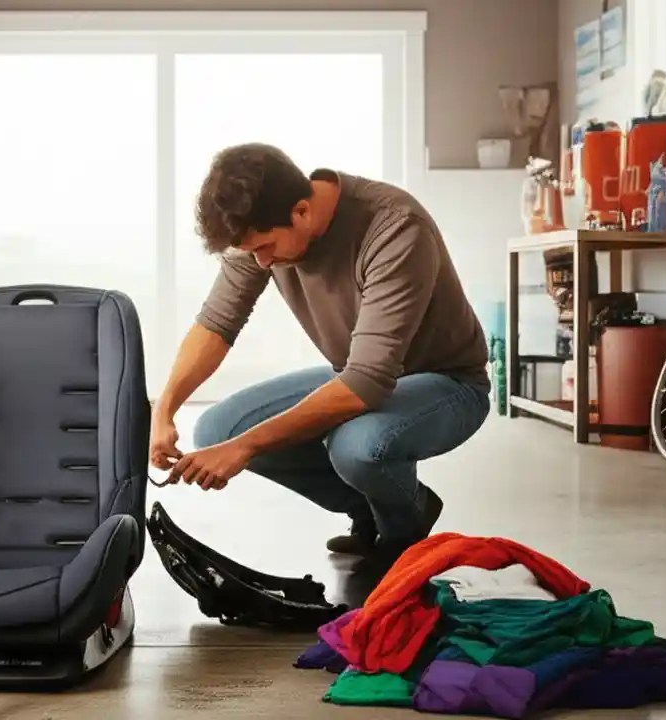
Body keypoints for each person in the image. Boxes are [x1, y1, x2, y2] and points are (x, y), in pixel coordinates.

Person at [149, 142, 491, 570]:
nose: (261, 261)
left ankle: (404, 533)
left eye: (267, 247)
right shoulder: (261, 228)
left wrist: (245, 448)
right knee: (218, 428)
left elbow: (364, 384)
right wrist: (165, 408)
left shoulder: (395, 228)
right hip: (357, 374)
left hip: (449, 382)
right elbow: (216, 324)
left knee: (357, 447)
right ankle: (375, 505)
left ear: (302, 212)